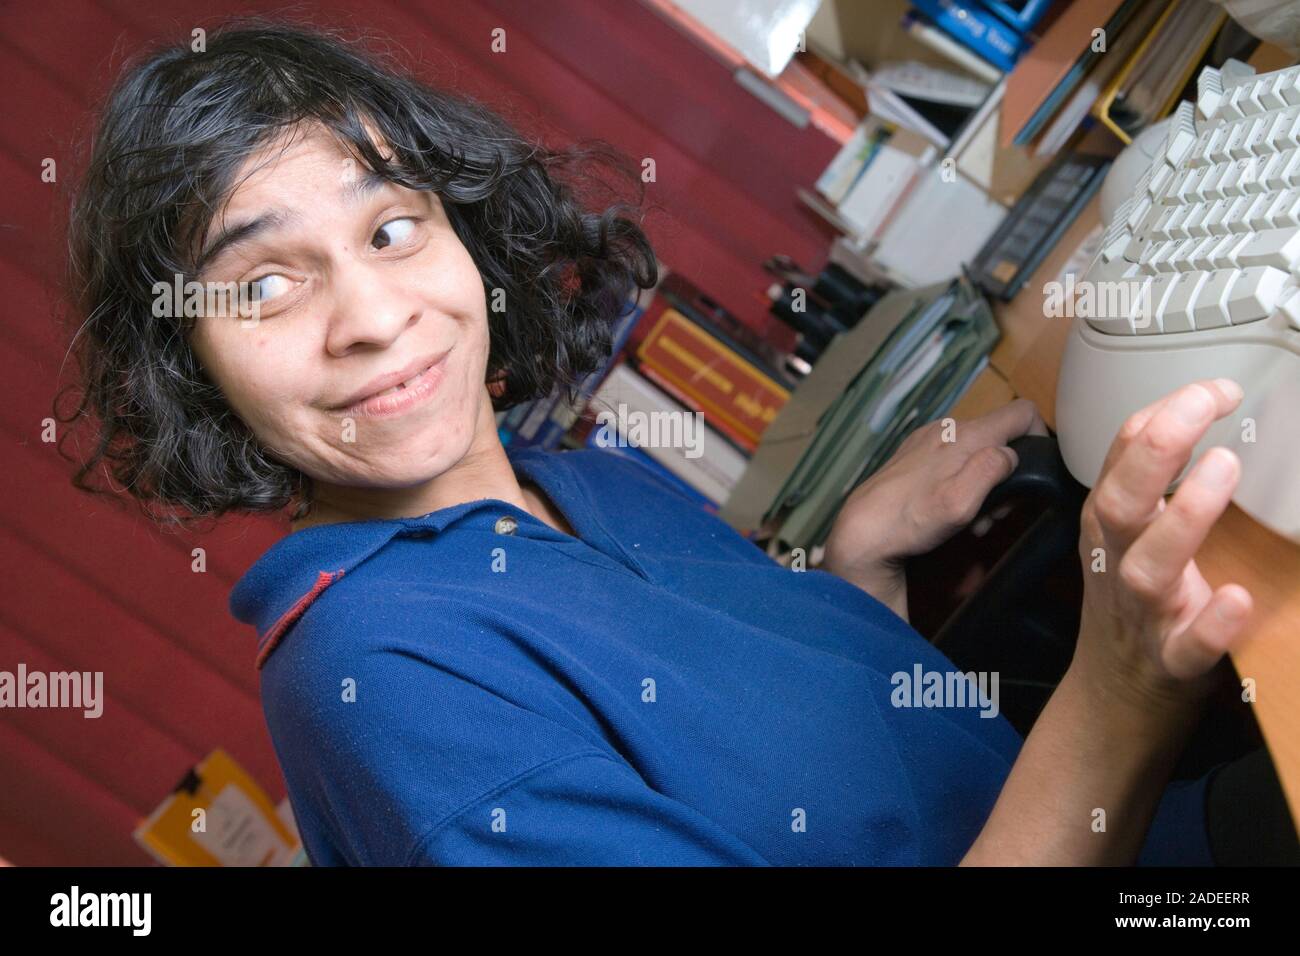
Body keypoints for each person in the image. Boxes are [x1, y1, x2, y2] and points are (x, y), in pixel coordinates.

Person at [57, 19, 1291, 866]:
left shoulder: (563, 476)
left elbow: (806, 781)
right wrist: (1124, 696)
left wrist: (853, 571)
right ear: (190, 369)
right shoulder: (382, 685)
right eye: (264, 287)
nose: (375, 318)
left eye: (390, 230)